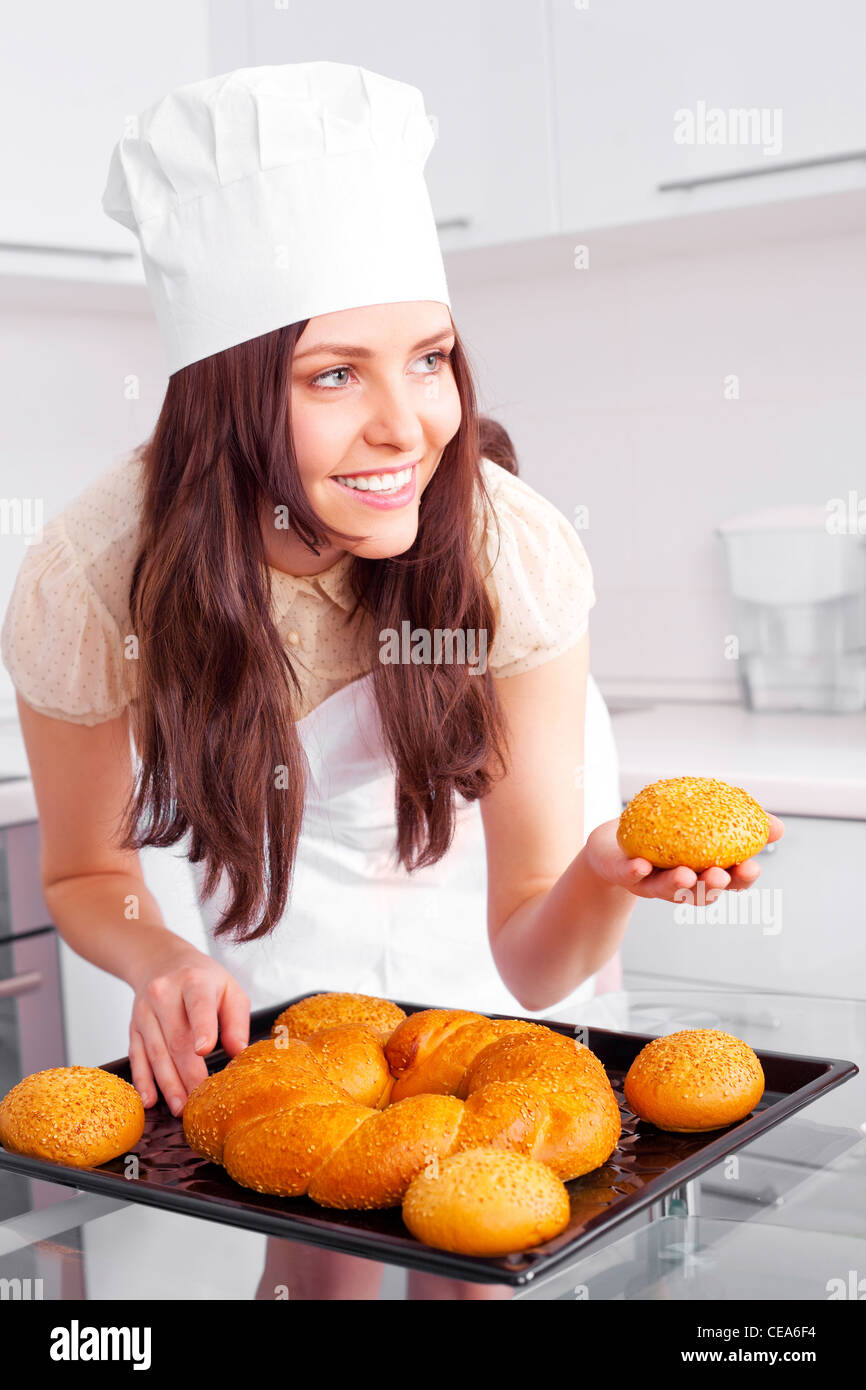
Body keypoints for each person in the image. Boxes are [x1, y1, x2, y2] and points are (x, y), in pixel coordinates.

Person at [1, 63, 782, 1300]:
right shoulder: (92, 583)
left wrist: (599, 871)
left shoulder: (501, 549)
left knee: (477, 1260)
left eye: (428, 358)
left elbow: (529, 954)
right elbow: (89, 873)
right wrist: (159, 960)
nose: (409, 427)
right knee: (316, 1246)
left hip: (478, 908)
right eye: (332, 375)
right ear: (223, 400)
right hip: (281, 922)